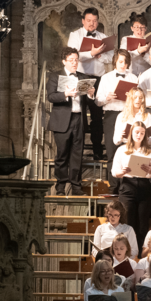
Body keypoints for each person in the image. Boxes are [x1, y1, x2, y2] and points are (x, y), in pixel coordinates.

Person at [48, 47, 97, 196]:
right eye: (71, 60)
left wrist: (90, 95)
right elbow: (50, 97)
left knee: (77, 154)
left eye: (76, 60)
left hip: (79, 119)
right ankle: (61, 187)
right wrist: (65, 94)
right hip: (62, 120)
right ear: (64, 61)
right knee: (62, 154)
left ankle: (76, 186)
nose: (74, 63)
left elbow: (88, 102)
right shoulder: (55, 76)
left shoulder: (82, 77)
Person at [66, 7, 113, 160]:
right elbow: (73, 55)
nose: (92, 24)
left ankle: (98, 152)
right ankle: (76, 153)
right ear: (83, 21)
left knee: (97, 116)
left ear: (98, 21)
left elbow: (110, 58)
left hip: (98, 79)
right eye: (89, 21)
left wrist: (100, 57)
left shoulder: (103, 37)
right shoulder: (75, 35)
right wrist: (90, 54)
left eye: (94, 21)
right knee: (79, 114)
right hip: (80, 77)